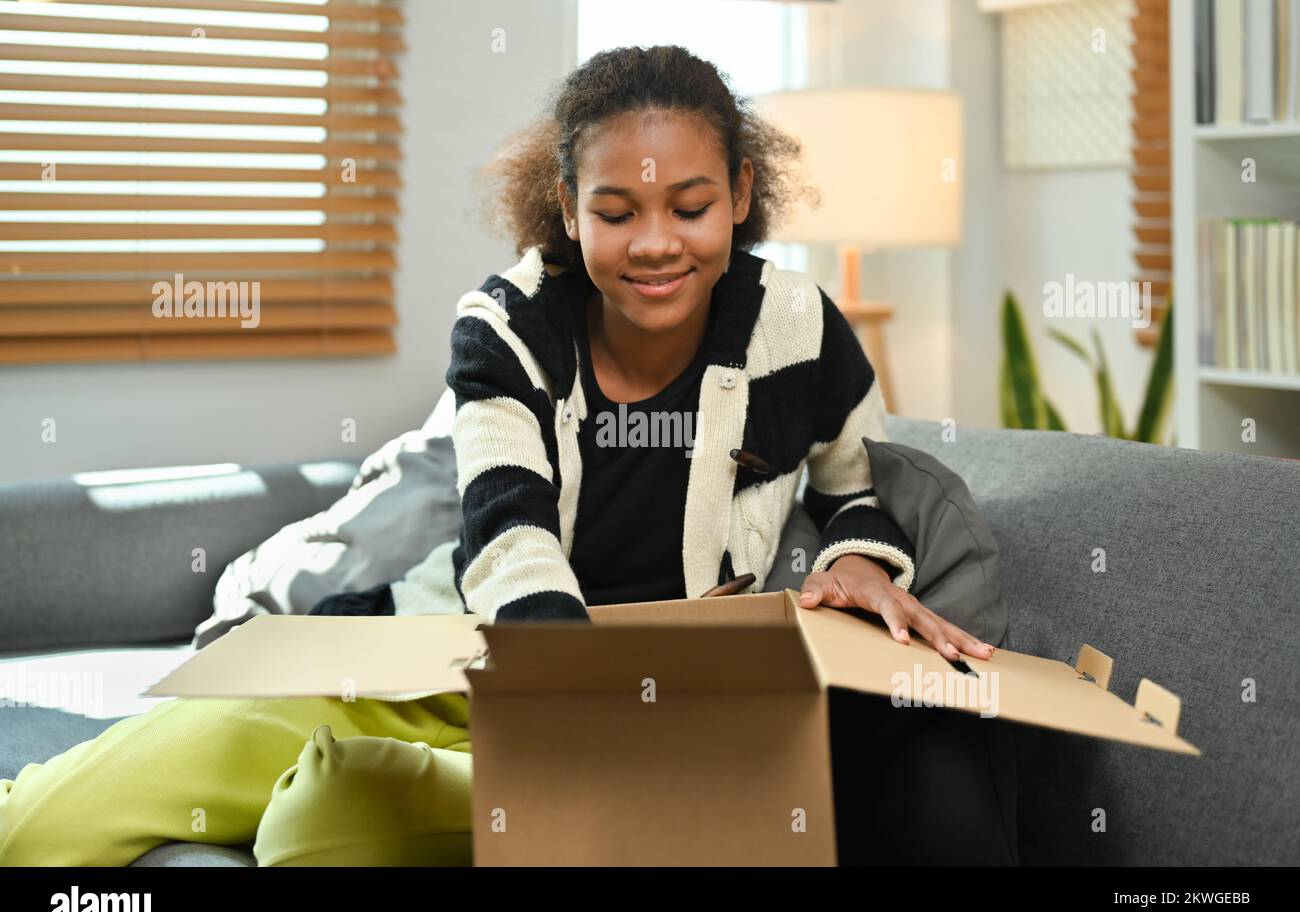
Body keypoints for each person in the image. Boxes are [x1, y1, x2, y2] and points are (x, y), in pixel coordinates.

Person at [0, 45, 994, 868]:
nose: (655, 245)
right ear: (567, 205)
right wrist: (562, 703)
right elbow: (508, 531)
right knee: (65, 810)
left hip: (661, 711)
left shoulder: (799, 328)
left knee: (326, 823)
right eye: (616, 211)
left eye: (689, 207)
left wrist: (852, 559)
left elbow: (860, 479)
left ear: (739, 192)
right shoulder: (509, 324)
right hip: (468, 669)